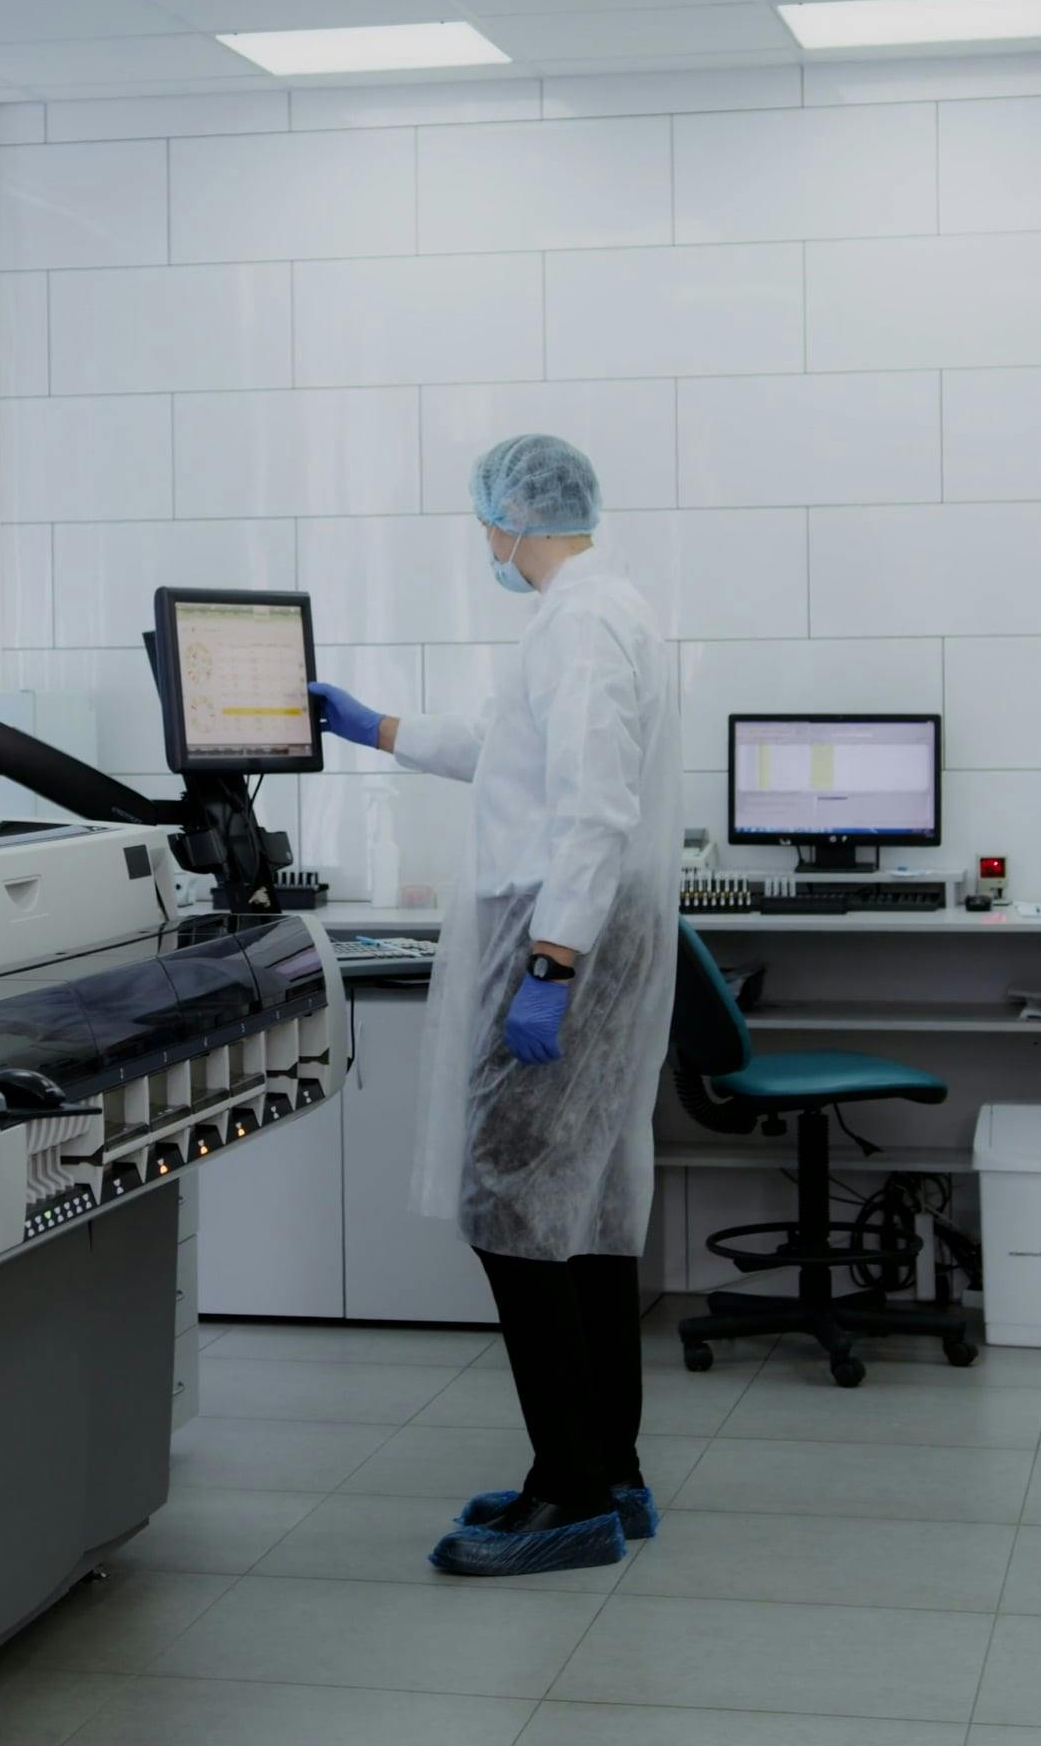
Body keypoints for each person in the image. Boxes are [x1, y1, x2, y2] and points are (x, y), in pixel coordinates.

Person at [307, 433, 679, 1579]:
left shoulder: (577, 623)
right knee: (589, 1209)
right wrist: (378, 729)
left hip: (563, 935)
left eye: (488, 522)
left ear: (519, 513)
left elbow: (592, 810)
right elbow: (517, 759)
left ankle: (567, 1492)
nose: (488, 544)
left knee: (513, 1206)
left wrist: (550, 969)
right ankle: (605, 1468)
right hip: (594, 931)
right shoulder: (602, 615)